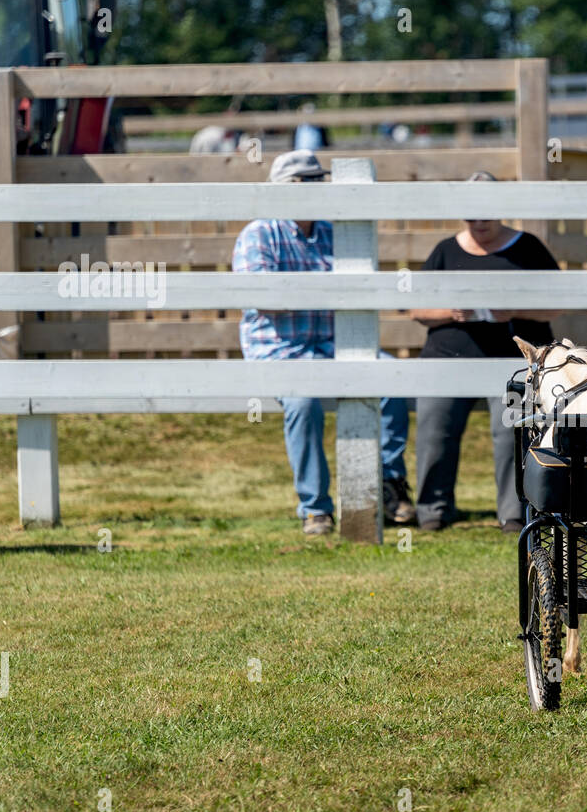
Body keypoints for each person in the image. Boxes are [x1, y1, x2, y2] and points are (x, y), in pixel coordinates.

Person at [233, 149, 414, 535]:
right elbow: (265, 301)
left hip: (336, 342)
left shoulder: (335, 231)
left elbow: (359, 290)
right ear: (283, 189)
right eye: (307, 182)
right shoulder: (259, 232)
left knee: (390, 380)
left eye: (319, 180)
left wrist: (317, 294)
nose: (317, 188)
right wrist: (333, 293)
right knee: (303, 401)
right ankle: (315, 508)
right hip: (280, 349)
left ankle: (389, 482)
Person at [410, 172, 561, 533]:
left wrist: (513, 312)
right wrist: (451, 313)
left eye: (486, 214)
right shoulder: (445, 250)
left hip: (512, 361)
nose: (479, 223)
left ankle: (514, 513)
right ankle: (433, 510)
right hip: (447, 359)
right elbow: (417, 309)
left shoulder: (529, 248)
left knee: (511, 429)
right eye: (471, 215)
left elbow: (556, 305)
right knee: (435, 427)